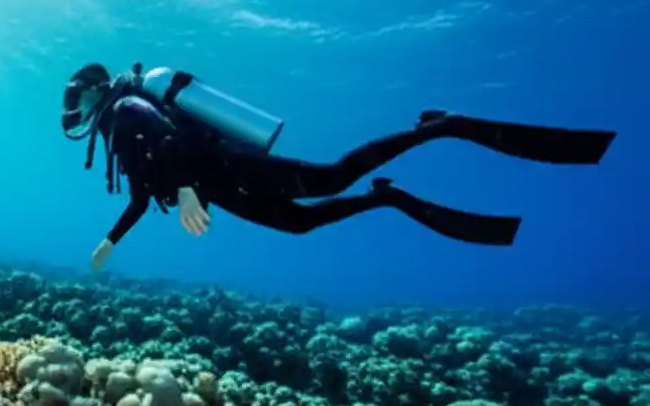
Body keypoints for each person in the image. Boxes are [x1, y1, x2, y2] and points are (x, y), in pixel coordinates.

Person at [61, 62, 617, 272]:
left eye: (75, 98)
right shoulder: (115, 132)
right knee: (300, 223)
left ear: (94, 91)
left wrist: (184, 191)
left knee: (328, 178)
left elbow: (172, 139)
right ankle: (387, 196)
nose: (74, 109)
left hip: (227, 170)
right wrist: (110, 241)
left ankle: (439, 126)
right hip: (223, 189)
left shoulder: (130, 108)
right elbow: (139, 194)